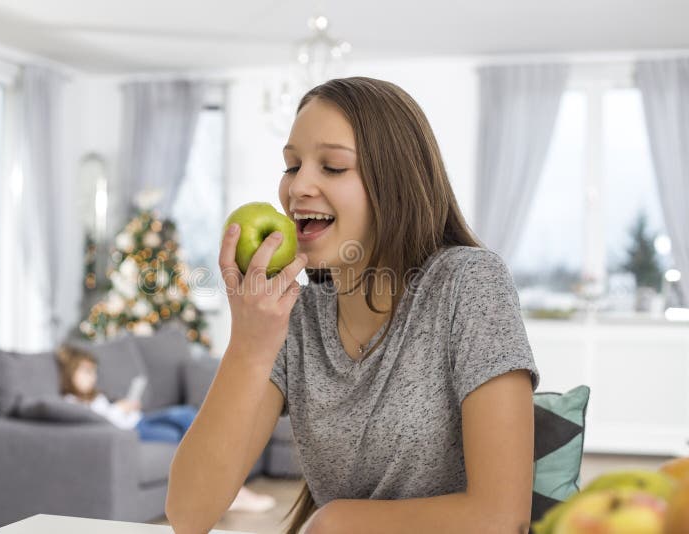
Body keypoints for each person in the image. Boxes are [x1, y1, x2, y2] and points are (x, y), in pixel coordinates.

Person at [166, 76, 540, 534]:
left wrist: (335, 521)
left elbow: (503, 518)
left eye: (333, 167)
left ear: (395, 182)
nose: (298, 187)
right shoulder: (297, 320)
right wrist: (248, 344)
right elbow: (188, 514)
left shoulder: (468, 282)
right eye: (292, 166)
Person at [56, 344, 276, 513]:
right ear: (69, 374)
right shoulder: (72, 403)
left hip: (139, 419)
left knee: (185, 416)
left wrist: (124, 405)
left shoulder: (96, 397)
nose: (91, 377)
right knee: (179, 433)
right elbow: (100, 421)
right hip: (133, 430)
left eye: (93, 372)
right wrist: (118, 410)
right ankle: (230, 492)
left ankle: (230, 490)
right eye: (85, 372)